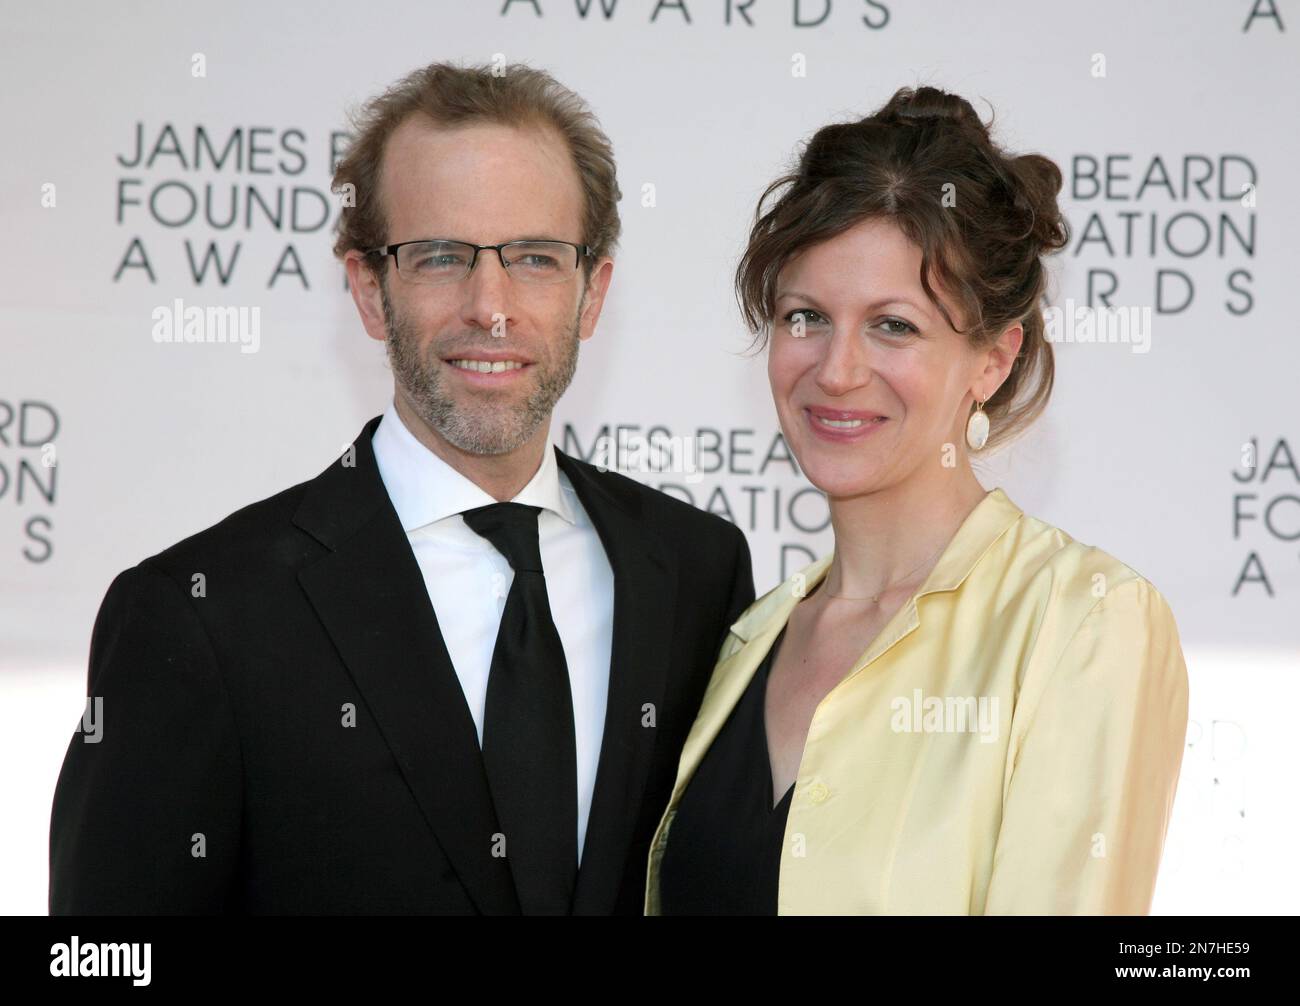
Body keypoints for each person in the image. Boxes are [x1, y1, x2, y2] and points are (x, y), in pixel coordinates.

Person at [49, 60, 754, 915]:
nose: (490, 307)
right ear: (369, 291)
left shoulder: (695, 573)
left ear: (592, 291)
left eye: (535, 257)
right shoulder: (201, 614)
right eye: (440, 257)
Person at [645, 86, 1189, 915]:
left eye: (893, 325)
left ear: (992, 360)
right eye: (805, 317)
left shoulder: (1081, 622)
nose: (835, 369)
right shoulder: (743, 643)